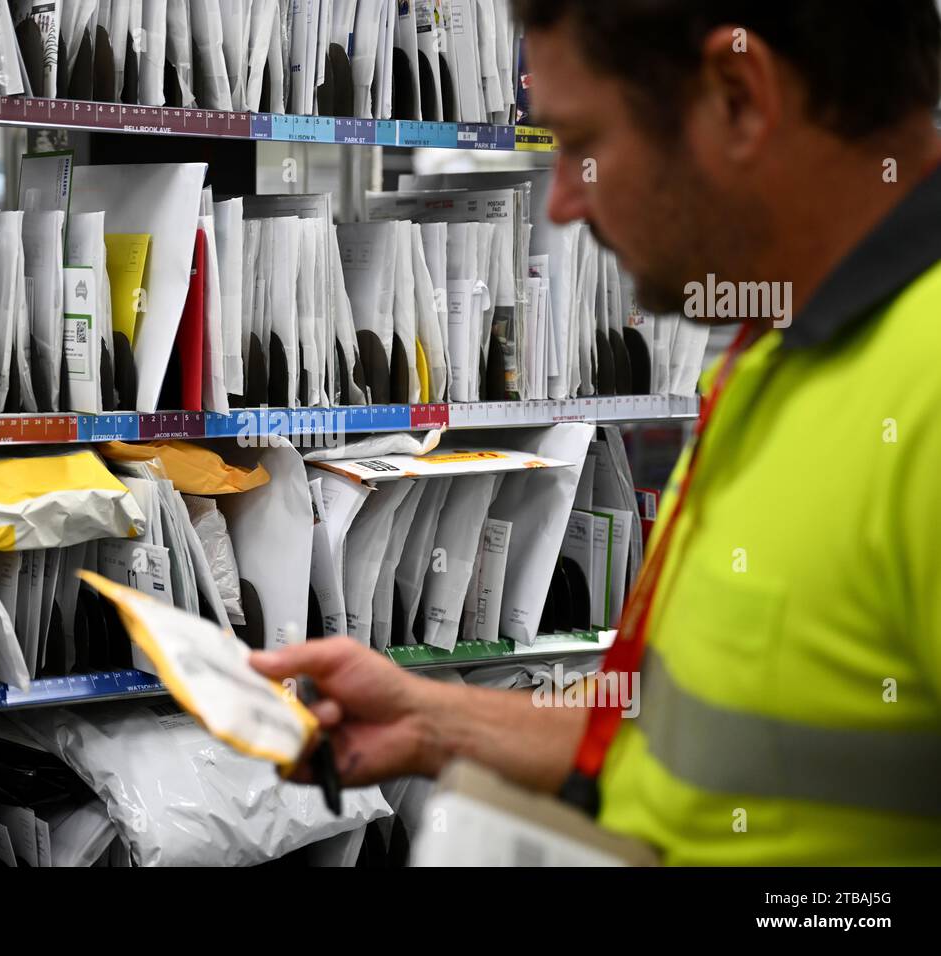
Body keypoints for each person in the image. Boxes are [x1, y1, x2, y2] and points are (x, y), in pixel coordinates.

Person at [252, 0, 941, 865]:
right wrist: (434, 720)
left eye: (584, 144)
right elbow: (688, 742)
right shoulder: (779, 355)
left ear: (739, 97)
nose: (566, 200)